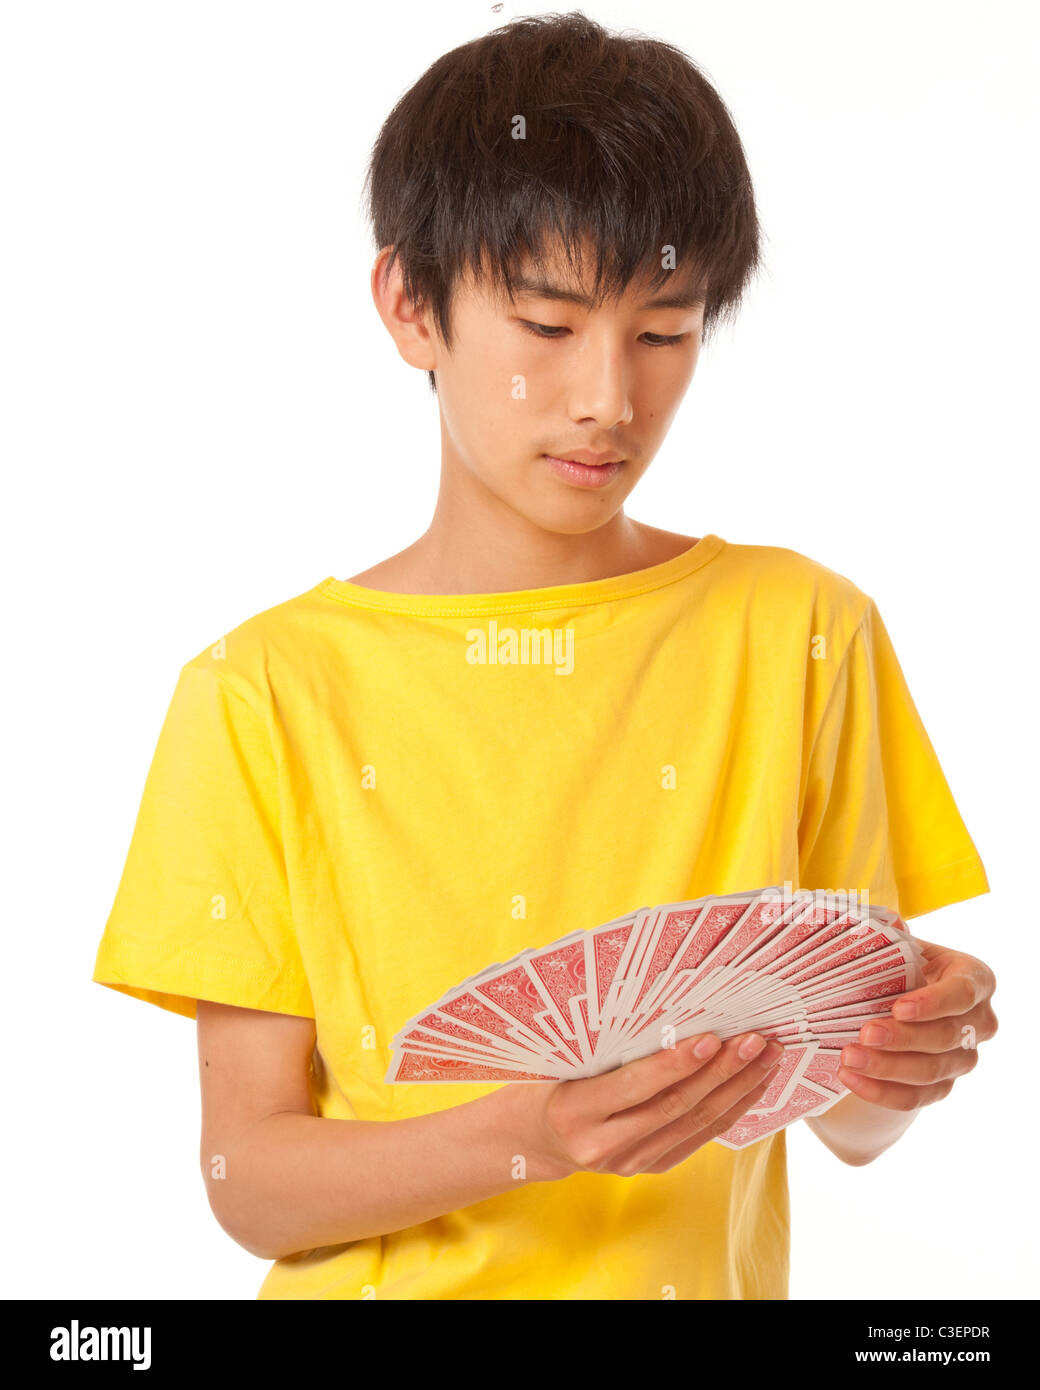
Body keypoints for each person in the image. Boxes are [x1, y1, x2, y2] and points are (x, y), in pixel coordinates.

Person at [91, 12, 997, 1301]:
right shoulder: (262, 692)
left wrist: (902, 1056)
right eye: (548, 323)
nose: (606, 400)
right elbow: (251, 1183)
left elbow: (848, 1122)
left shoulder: (801, 632)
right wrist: (536, 1134)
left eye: (664, 331)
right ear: (412, 306)